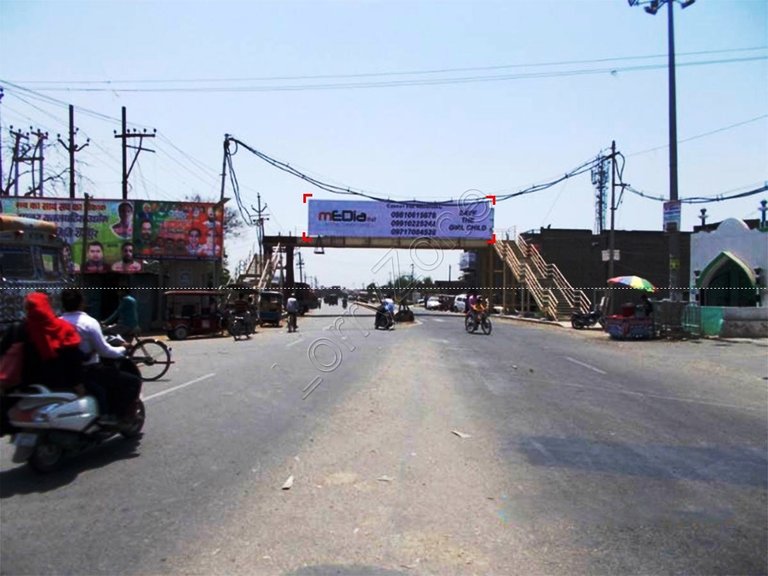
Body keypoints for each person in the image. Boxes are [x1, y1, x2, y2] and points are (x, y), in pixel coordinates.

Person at [60, 289, 140, 424]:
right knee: (133, 381)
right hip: (88, 370)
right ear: (82, 303)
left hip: (65, 371)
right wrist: (122, 349)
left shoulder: (58, 322)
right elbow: (104, 351)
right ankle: (116, 416)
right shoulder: (89, 323)